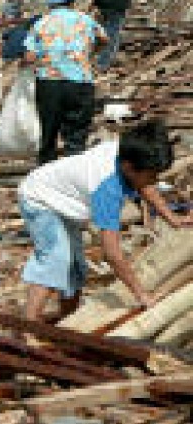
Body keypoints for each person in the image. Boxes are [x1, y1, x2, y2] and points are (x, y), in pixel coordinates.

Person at [18, 120, 191, 323]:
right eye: (151, 175)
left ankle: (68, 322)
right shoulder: (107, 189)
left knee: (75, 268)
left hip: (64, 202)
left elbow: (146, 185)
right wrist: (142, 294)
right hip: (39, 199)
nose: (154, 180)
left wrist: (172, 218)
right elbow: (112, 253)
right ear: (128, 168)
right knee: (56, 259)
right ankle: (29, 328)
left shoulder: (128, 154)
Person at [22, 0, 106, 164]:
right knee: (76, 136)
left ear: (51, 3)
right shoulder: (86, 20)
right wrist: (89, 53)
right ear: (71, 1)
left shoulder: (40, 24)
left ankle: (46, 172)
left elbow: (29, 57)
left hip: (49, 84)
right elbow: (103, 39)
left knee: (49, 134)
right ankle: (72, 174)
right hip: (80, 82)